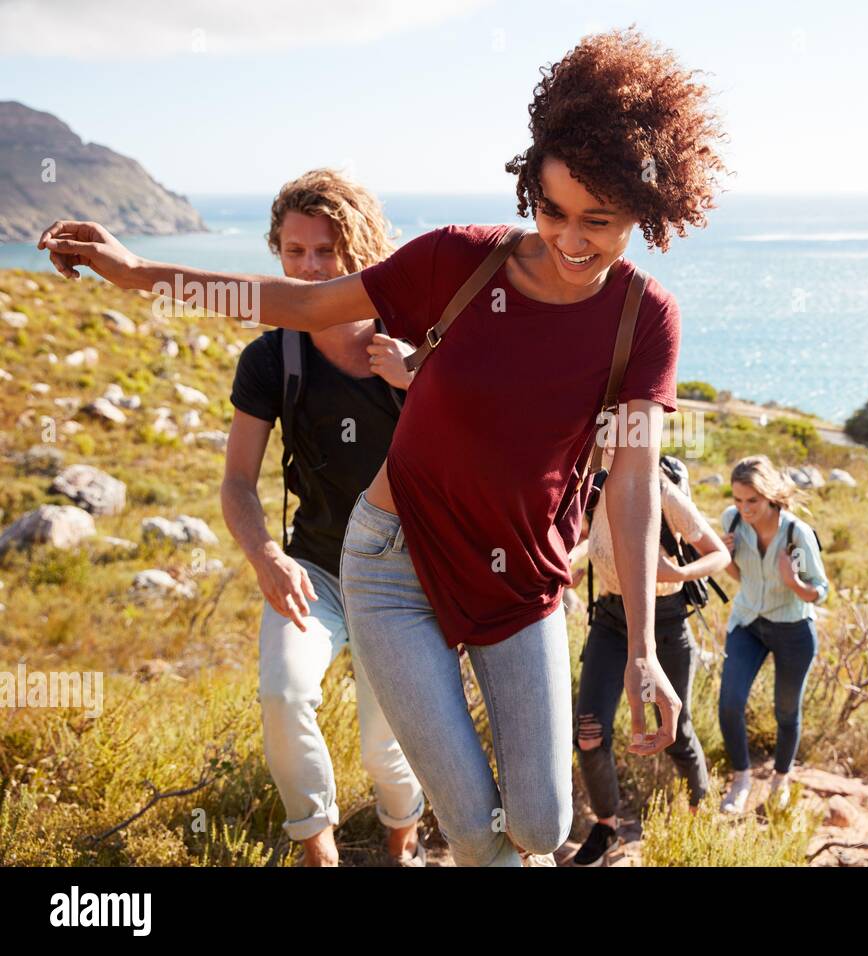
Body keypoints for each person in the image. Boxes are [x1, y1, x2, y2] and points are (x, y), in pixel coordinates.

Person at [38, 27, 728, 867]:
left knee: (543, 827)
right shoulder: (457, 264)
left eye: (600, 220)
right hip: (392, 563)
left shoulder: (641, 316)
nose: (571, 241)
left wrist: (646, 654)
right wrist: (139, 272)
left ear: (644, 215)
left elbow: (630, 476)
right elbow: (299, 301)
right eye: (551, 210)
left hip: (522, 578)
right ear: (528, 190)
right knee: (475, 829)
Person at [221, 169, 425, 866]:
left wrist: (419, 377)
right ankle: (320, 849)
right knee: (282, 691)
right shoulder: (271, 358)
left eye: (325, 252)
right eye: (293, 252)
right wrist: (267, 558)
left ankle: (403, 840)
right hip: (313, 568)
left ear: (361, 249)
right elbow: (237, 483)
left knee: (385, 742)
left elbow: (487, 441)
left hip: (405, 577)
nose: (308, 269)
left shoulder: (415, 343)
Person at [569, 451, 729, 866]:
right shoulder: (594, 487)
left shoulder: (661, 489)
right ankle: (606, 827)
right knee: (588, 732)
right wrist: (573, 568)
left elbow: (718, 555)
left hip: (667, 621)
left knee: (676, 730)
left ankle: (698, 817)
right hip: (609, 620)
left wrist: (675, 574)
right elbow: (594, 542)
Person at [717, 455, 830, 814]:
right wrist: (728, 557)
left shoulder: (798, 534)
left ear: (769, 496)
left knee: (786, 710)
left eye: (752, 500)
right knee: (730, 703)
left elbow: (821, 590)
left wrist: (793, 582)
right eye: (738, 499)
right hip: (748, 622)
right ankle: (741, 780)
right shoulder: (731, 521)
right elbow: (739, 577)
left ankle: (780, 780)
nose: (744, 508)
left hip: (793, 629)